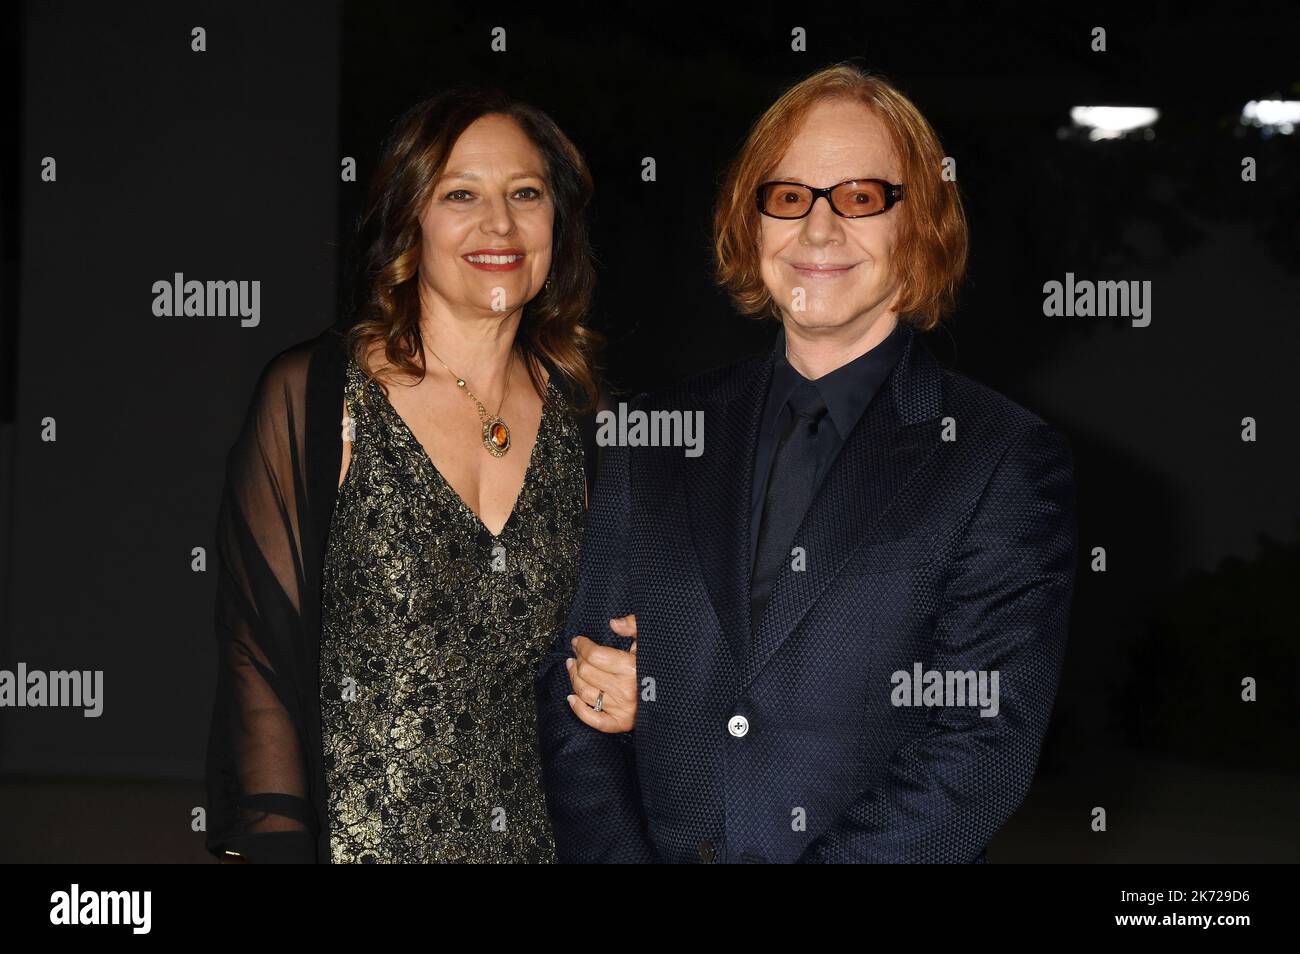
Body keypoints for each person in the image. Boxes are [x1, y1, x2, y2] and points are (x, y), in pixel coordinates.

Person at [536, 63, 1079, 863]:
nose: (819, 232)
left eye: (860, 198)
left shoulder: (1000, 459)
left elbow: (979, 748)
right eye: (789, 197)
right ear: (749, 223)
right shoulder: (649, 433)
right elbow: (575, 683)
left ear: (921, 222)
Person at [204, 86, 630, 863]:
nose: (499, 224)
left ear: (556, 222)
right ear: (410, 219)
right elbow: (257, 660)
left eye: (525, 194)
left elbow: (614, 653)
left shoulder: (589, 424)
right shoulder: (319, 397)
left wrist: (638, 679)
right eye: (460, 194)